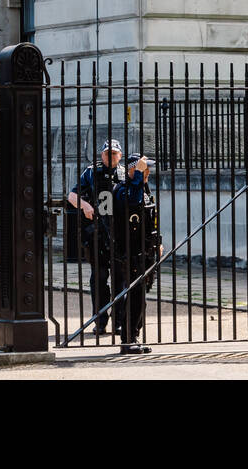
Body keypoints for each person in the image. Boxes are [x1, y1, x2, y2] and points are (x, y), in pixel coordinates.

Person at [66, 138, 125, 337]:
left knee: (120, 280)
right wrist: (85, 206)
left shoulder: (125, 173)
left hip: (120, 234)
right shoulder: (91, 172)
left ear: (120, 155)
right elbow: (72, 196)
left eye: (114, 153)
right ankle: (100, 320)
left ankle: (119, 322)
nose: (111, 156)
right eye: (107, 153)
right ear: (102, 155)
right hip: (98, 234)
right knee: (99, 278)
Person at [112, 152, 163, 354]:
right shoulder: (123, 190)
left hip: (145, 251)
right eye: (144, 169)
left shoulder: (141, 188)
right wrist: (138, 178)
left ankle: (134, 334)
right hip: (130, 253)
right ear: (133, 170)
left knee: (140, 297)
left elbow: (150, 216)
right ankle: (127, 339)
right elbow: (132, 203)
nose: (148, 173)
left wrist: (157, 242)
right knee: (134, 296)